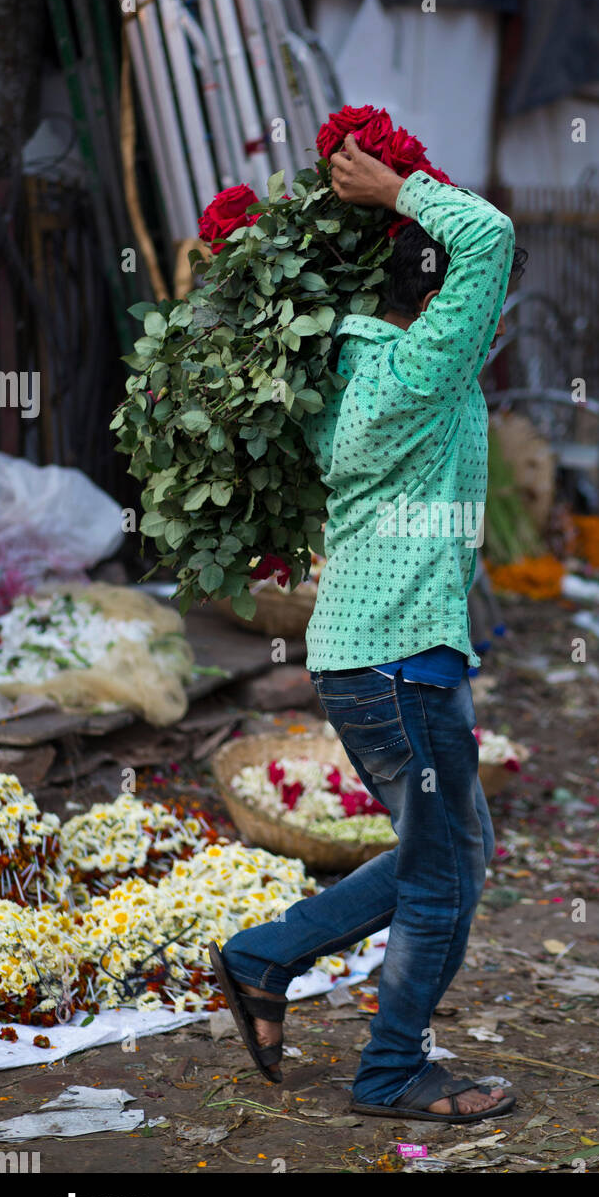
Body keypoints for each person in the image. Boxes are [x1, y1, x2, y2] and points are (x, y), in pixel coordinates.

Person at [209, 135, 527, 1123]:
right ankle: (392, 1070)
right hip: (402, 661)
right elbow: (491, 235)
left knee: (452, 850)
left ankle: (265, 953)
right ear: (435, 298)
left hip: (368, 654)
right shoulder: (422, 364)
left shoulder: (337, 363)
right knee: (440, 876)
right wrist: (399, 189)